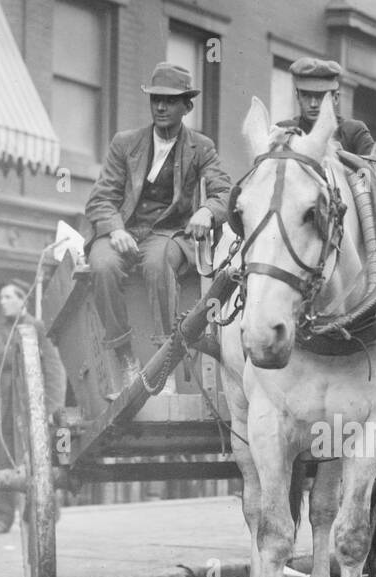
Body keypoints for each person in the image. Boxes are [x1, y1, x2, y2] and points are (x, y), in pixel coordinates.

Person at [84, 62, 231, 391]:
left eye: (170, 101)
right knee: (102, 264)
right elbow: (100, 199)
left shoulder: (201, 148)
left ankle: (165, 359)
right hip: (125, 230)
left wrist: (207, 211)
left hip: (169, 235)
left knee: (158, 263)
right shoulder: (125, 143)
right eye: (156, 100)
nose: (161, 107)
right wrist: (116, 229)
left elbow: (224, 192)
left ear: (186, 106)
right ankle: (125, 356)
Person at [0, 281, 67, 534]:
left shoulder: (37, 327)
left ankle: (37, 510)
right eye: (1, 296)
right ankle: (2, 518)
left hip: (30, 408)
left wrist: (53, 408)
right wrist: (18, 351)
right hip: (1, 410)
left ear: (23, 300)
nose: (2, 301)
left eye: (8, 296)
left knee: (37, 460)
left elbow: (53, 368)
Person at [277, 58, 376, 160]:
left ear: (335, 98)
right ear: (297, 96)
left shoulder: (353, 133)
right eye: (306, 96)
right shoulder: (284, 130)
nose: (313, 104)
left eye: (320, 96)